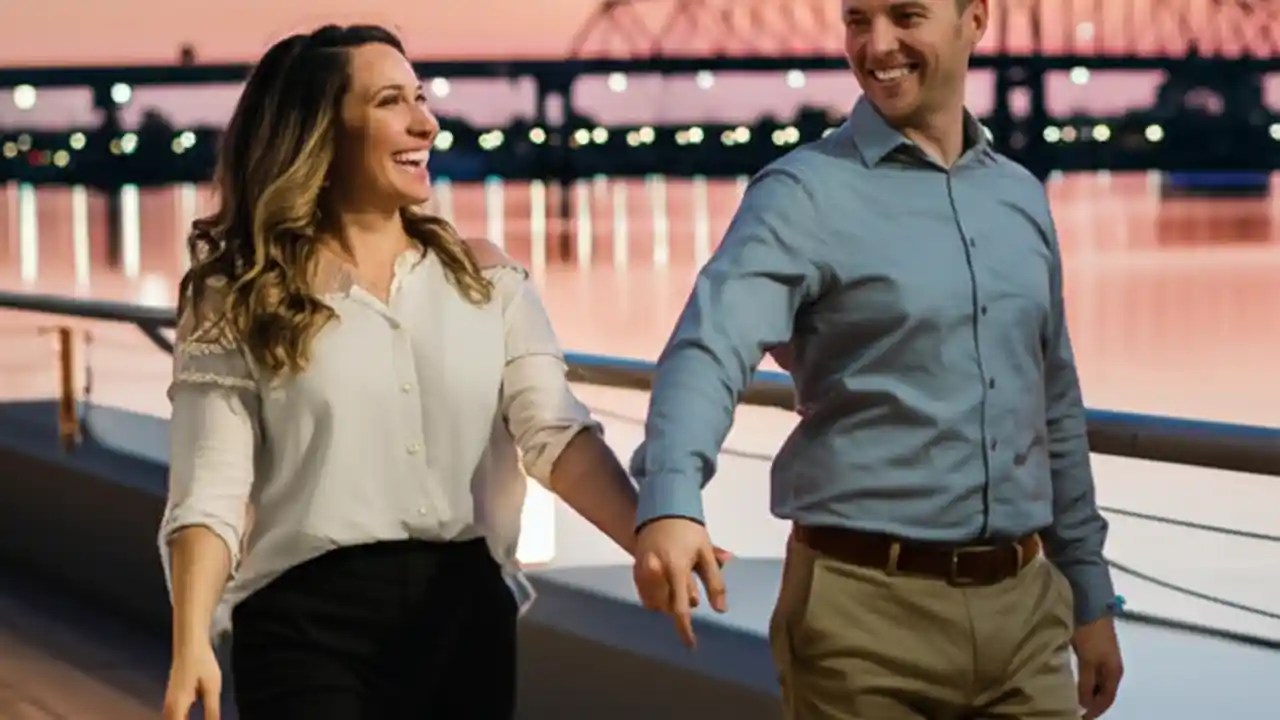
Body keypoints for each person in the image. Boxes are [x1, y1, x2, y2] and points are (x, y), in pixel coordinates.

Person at [629, 1, 1125, 718]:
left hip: (1026, 621)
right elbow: (709, 349)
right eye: (858, 19)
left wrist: (1088, 592)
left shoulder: (1019, 199)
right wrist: (671, 503)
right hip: (863, 622)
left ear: (975, 18)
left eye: (906, 16)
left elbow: (1052, 405)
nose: (876, 44)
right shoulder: (802, 194)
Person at [158, 24, 646, 720]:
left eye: (421, 97)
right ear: (320, 134)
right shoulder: (240, 295)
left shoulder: (488, 280)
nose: (426, 122)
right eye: (392, 101)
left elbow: (555, 433)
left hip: (464, 622)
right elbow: (209, 491)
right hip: (303, 628)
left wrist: (649, 535)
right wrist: (191, 643)